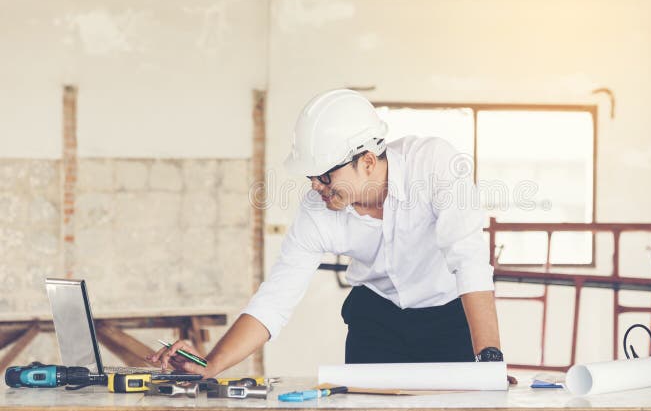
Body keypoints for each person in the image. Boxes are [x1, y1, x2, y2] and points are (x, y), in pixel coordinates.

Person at [147, 89, 505, 375]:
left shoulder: (432, 164)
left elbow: (469, 259)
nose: (316, 187)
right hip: (376, 321)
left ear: (366, 161)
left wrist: (489, 359)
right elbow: (275, 299)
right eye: (310, 177)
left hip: (447, 316)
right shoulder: (317, 210)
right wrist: (210, 365)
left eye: (325, 176)